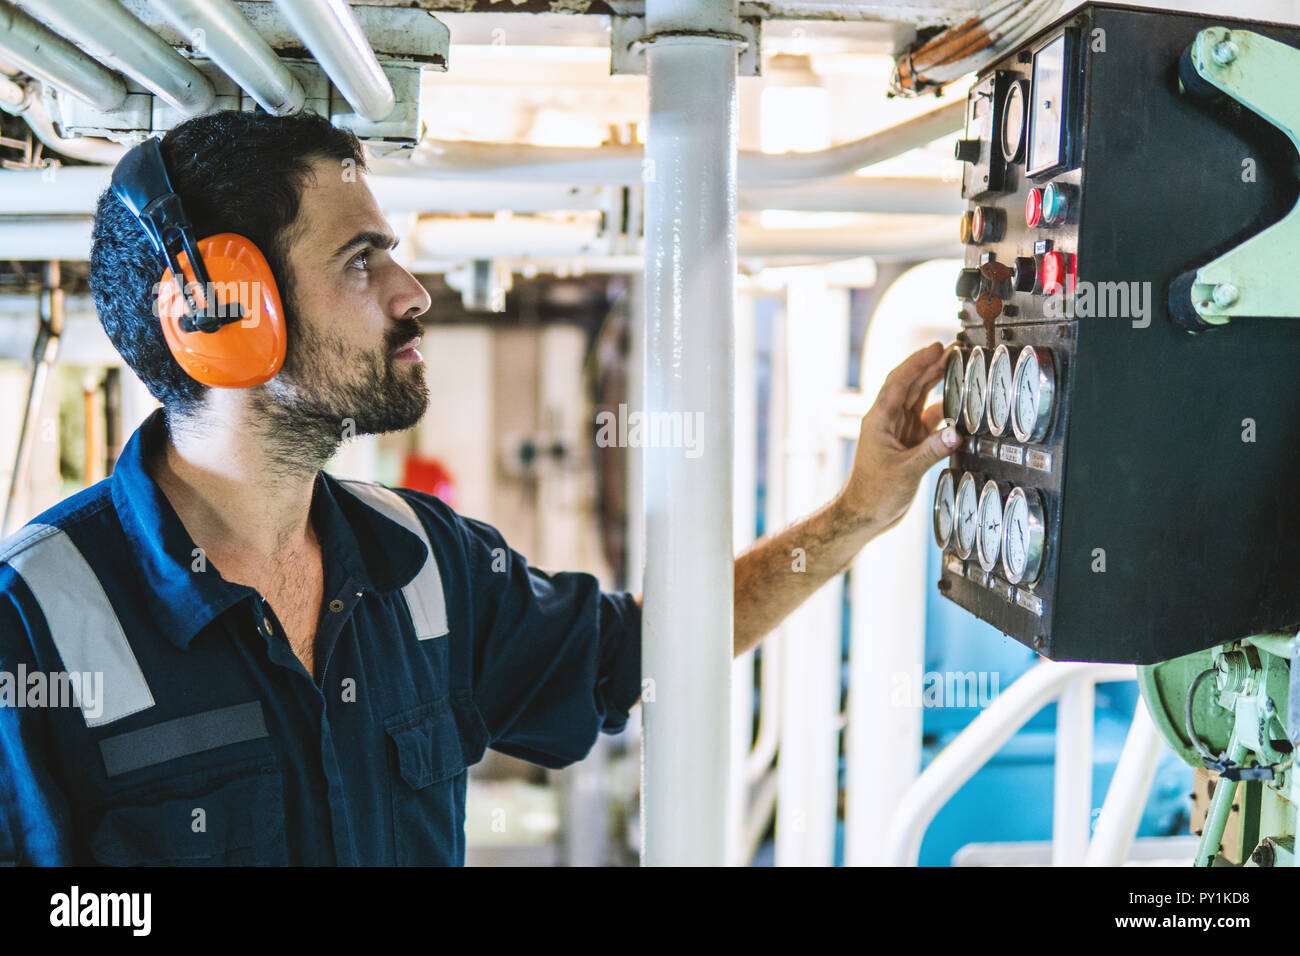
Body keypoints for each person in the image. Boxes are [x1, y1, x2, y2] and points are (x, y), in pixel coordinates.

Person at [0, 109, 961, 866]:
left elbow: (633, 657)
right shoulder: (34, 619)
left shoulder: (421, 560)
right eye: (361, 260)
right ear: (224, 315)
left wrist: (853, 518)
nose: (413, 291)